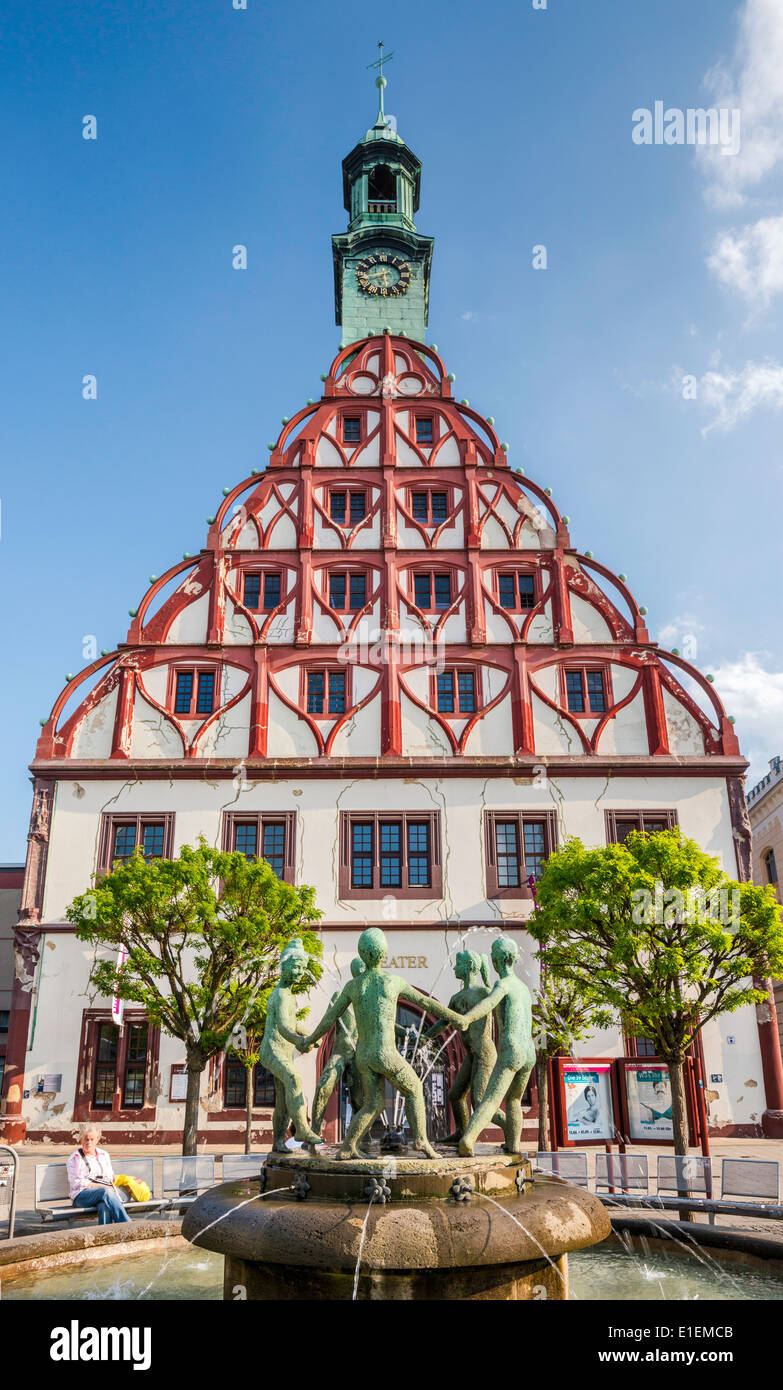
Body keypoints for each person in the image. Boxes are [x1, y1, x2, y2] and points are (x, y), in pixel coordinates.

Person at [298, 927, 466, 1160]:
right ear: (383, 954)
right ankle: (421, 1141)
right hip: (385, 1053)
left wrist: (309, 1039)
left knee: (373, 1105)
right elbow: (425, 1002)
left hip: (363, 1057)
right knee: (415, 1088)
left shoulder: (353, 986)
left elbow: (329, 1019)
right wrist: (456, 1017)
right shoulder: (392, 981)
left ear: (362, 954)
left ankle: (347, 1147)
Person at [453, 935, 536, 1157]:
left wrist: (467, 1018)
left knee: (489, 1099)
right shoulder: (523, 987)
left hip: (512, 1049)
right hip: (529, 1052)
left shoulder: (504, 984)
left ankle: (468, 1140)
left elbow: (488, 1003)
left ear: (497, 959)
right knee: (515, 1100)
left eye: (492, 954)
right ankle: (514, 1145)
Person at [67, 1125, 131, 1224]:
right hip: (81, 1196)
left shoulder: (104, 1155)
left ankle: (104, 1236)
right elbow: (76, 1182)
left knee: (104, 1205)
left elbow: (110, 1175)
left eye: (92, 1139)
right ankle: (126, 1224)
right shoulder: (75, 1157)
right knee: (105, 1191)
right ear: (81, 1140)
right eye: (86, 1139)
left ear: (97, 1140)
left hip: (103, 1193)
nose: (89, 1142)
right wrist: (100, 1186)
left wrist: (106, 1185)